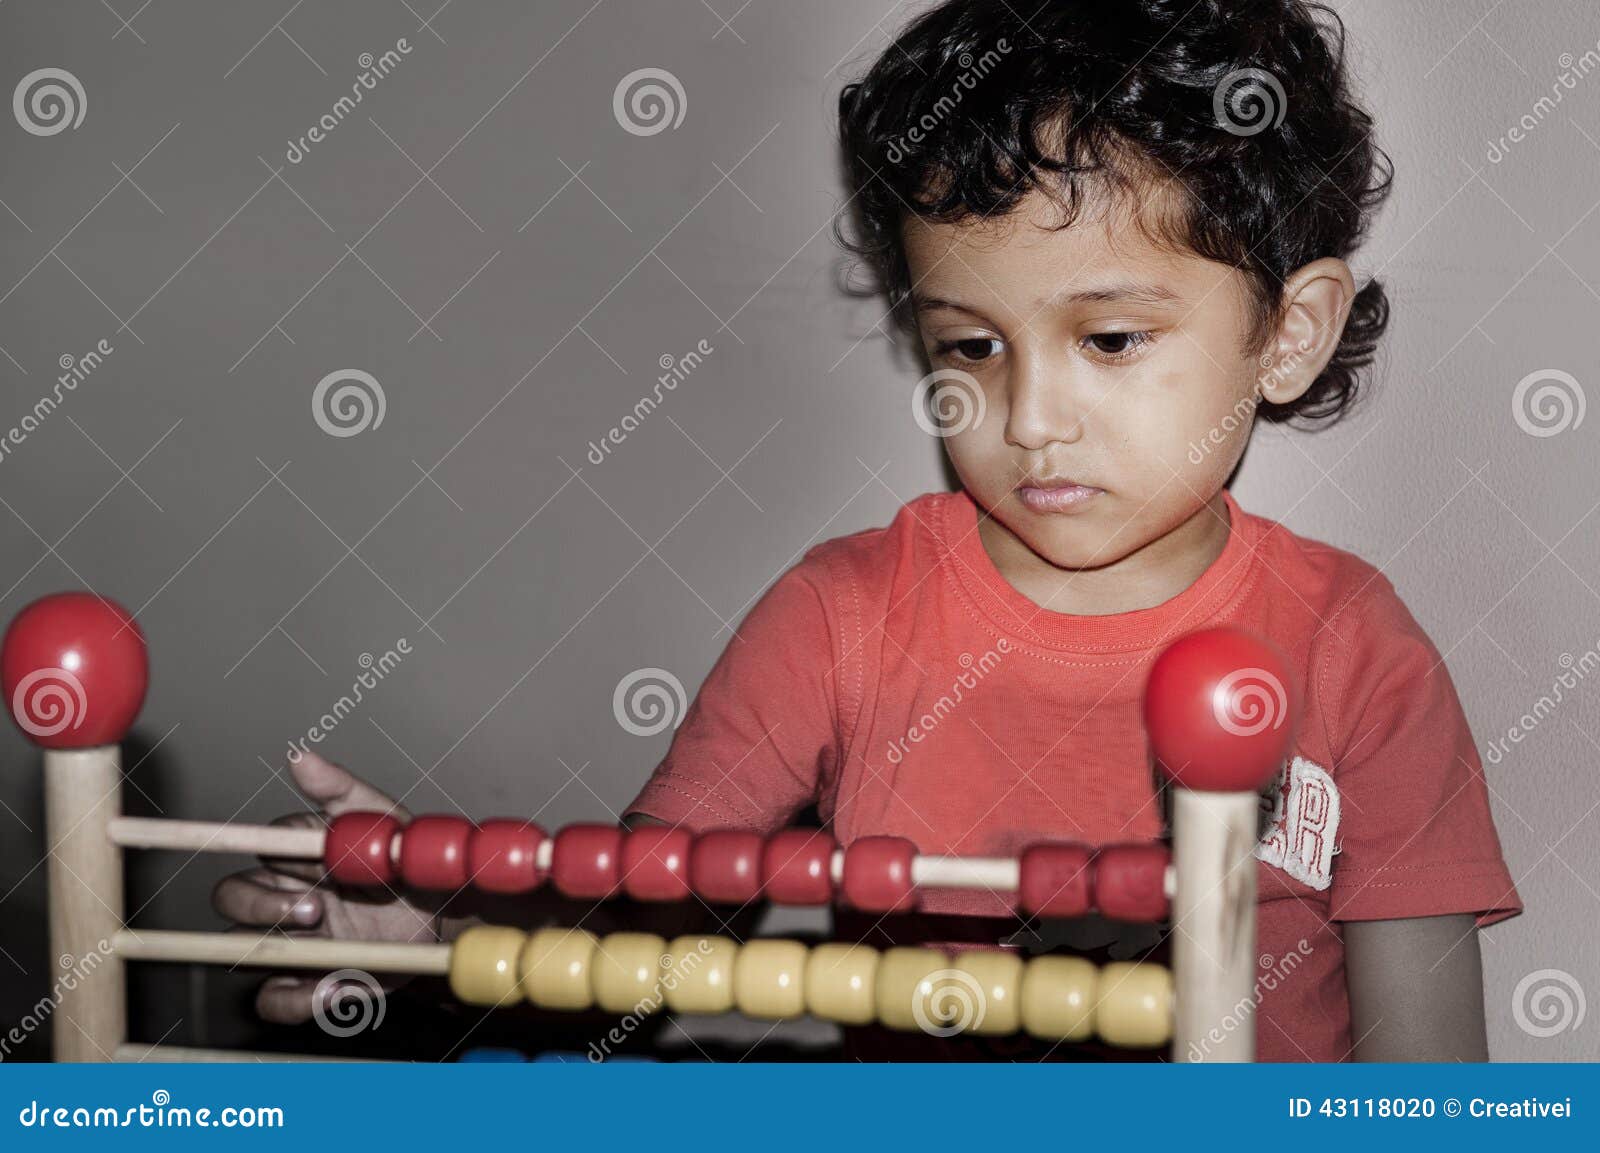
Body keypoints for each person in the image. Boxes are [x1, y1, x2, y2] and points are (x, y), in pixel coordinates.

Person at [214, 0, 1521, 1061]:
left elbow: (1433, 1091)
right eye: (972, 347)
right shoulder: (844, 617)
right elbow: (639, 944)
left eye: (1112, 339)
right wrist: (442, 950)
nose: (1029, 418)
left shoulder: (1353, 651)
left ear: (1288, 334)